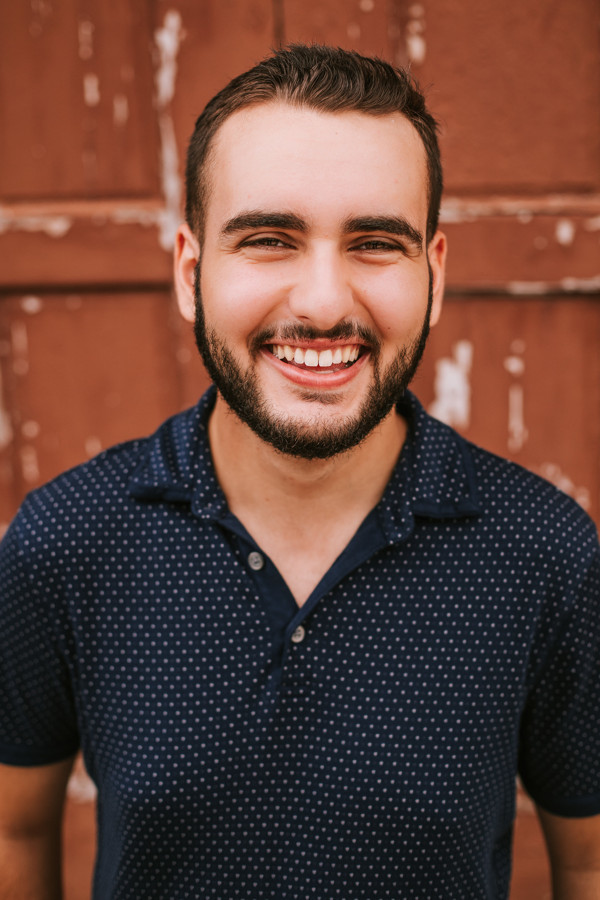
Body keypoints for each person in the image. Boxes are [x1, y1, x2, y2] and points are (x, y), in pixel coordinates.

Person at [0, 44, 599, 900]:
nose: (322, 301)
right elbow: (14, 833)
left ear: (433, 275)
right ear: (190, 270)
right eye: (270, 239)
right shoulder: (67, 540)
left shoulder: (543, 553)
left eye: (374, 243)